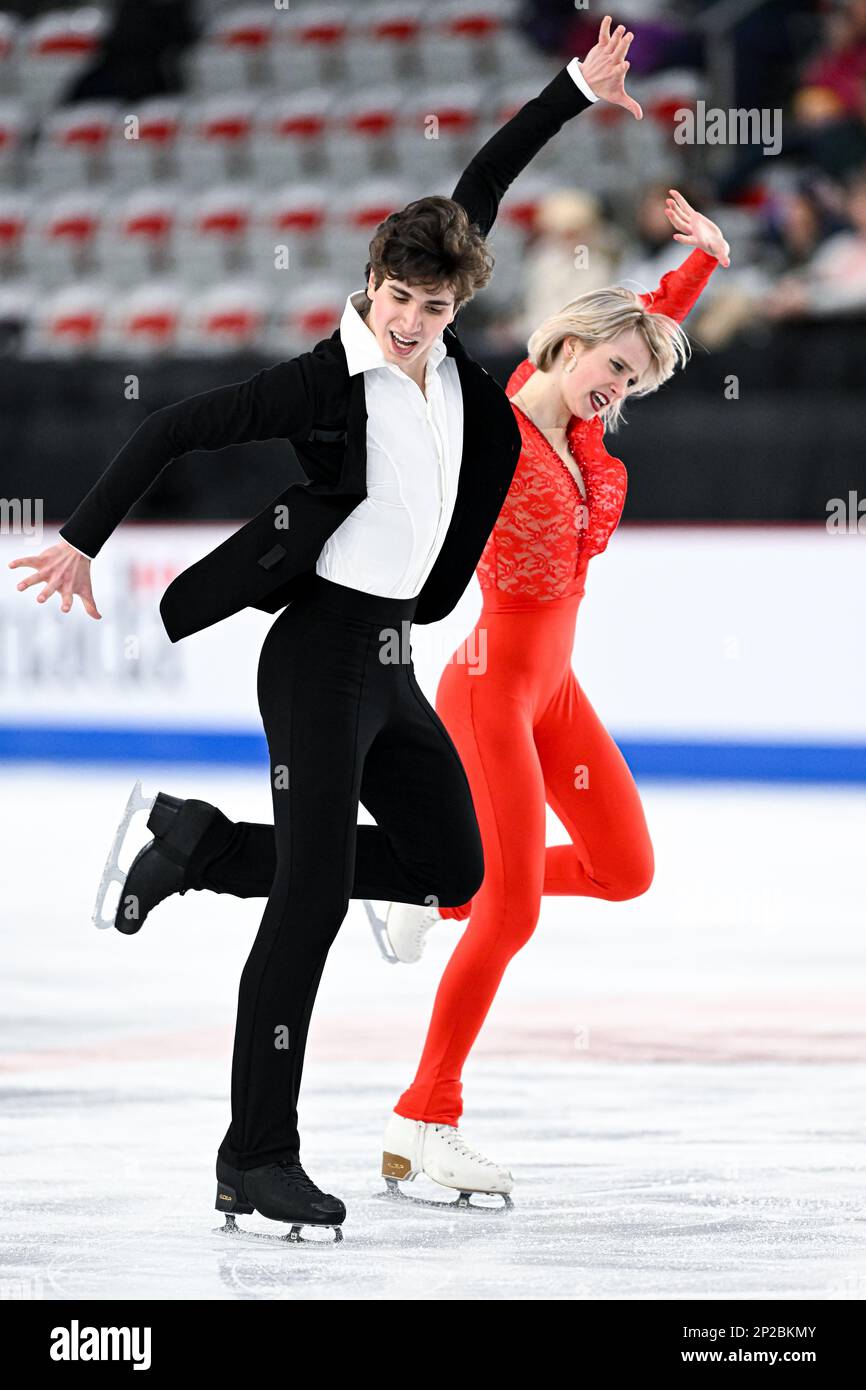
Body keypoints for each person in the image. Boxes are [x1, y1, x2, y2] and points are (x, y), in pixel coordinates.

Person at [10, 19, 644, 1239]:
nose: (410, 319)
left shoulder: (459, 368)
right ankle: (254, 1153)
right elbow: (176, 426)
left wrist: (570, 89)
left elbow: (480, 186)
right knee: (306, 907)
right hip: (313, 653)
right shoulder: (321, 378)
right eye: (396, 298)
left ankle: (198, 844)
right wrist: (84, 537)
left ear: (461, 298)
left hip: (394, 658)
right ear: (370, 286)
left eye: (432, 302)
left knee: (450, 869)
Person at [369, 189, 730, 1205]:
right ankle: (423, 1118)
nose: (614, 391)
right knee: (514, 910)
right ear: (566, 344)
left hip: (553, 690)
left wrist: (702, 261)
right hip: (488, 688)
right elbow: (414, 351)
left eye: (631, 383)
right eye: (609, 369)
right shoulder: (491, 419)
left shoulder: (566, 397)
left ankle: (435, 888)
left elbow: (644, 313)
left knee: (623, 868)